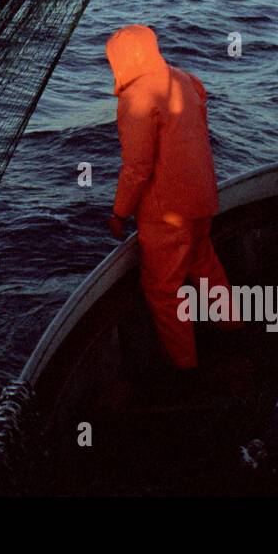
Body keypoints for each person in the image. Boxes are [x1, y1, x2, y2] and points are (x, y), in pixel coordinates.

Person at [105, 25, 236, 371]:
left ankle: (185, 368)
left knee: (164, 290)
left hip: (167, 213)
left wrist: (119, 213)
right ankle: (234, 329)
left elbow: (137, 168)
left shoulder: (136, 98)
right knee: (203, 264)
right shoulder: (186, 80)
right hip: (203, 199)